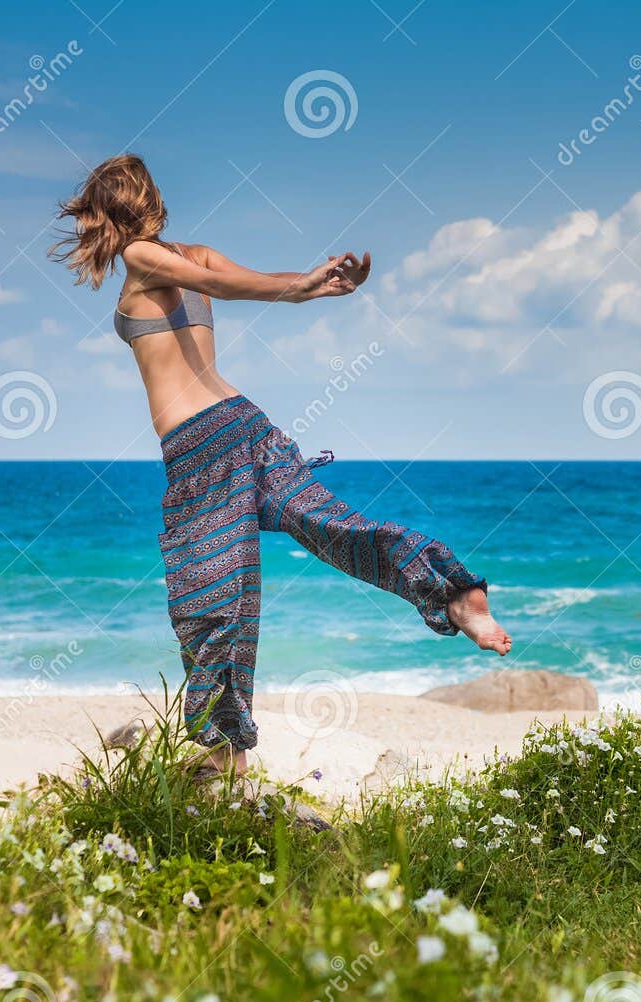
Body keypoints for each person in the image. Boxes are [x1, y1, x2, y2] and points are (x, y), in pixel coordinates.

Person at [51, 154, 511, 771]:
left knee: (211, 598)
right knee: (330, 526)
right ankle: (453, 593)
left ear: (108, 209)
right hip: (249, 425)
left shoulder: (139, 258)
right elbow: (247, 280)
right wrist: (308, 286)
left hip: (200, 449)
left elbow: (231, 286)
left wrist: (302, 286)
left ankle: (225, 755)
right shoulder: (196, 255)